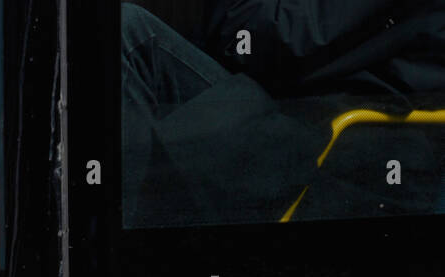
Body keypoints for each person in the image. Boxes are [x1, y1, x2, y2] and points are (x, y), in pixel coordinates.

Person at [122, 1, 445, 226]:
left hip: (336, 145)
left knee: (127, 31)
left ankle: (115, 269)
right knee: (125, 30)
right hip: (289, 108)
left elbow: (279, 41)